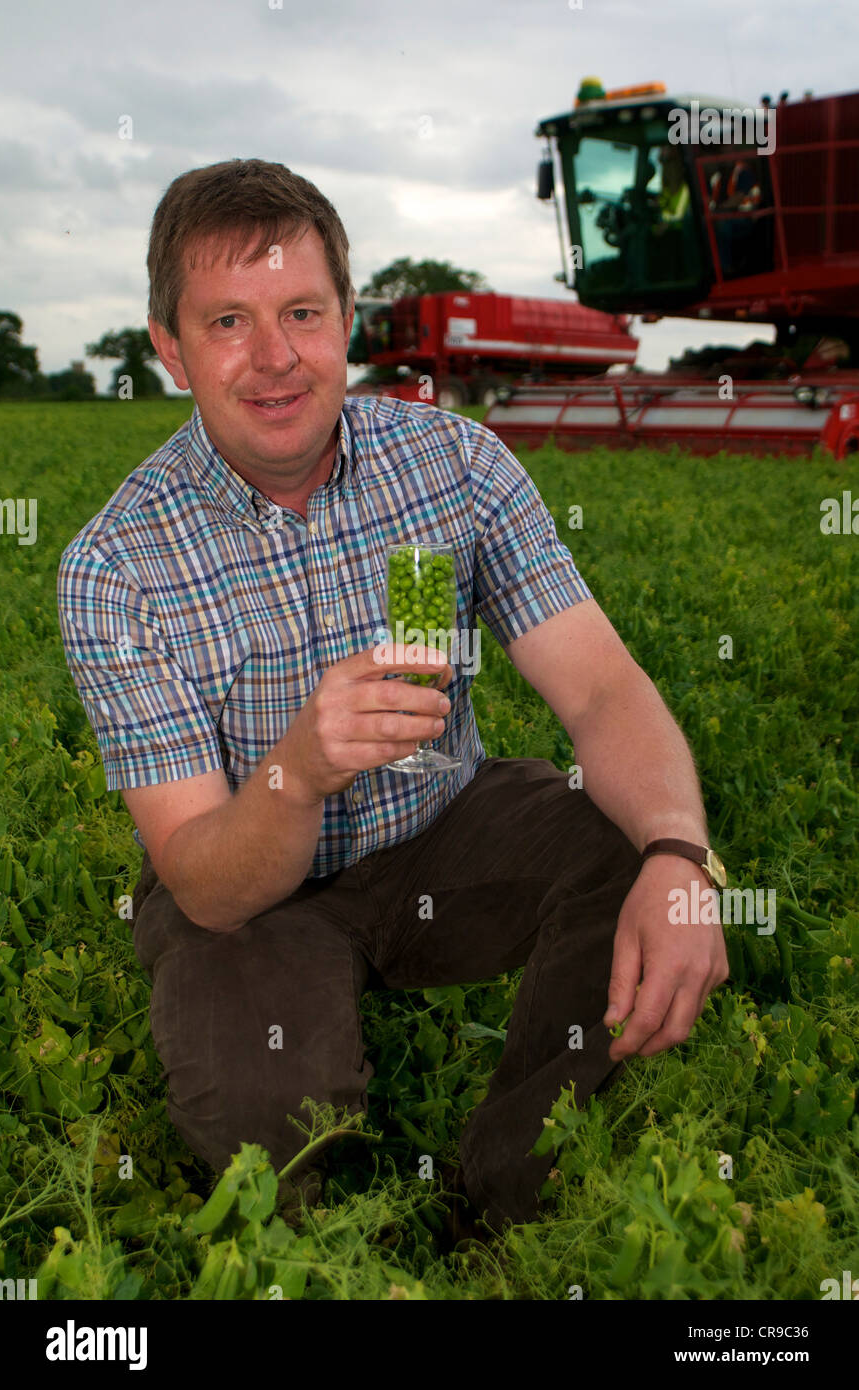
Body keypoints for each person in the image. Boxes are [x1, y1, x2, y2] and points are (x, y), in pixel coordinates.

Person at [56, 158, 729, 1240]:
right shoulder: (116, 567)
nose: (276, 358)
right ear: (171, 351)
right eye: (228, 320)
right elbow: (205, 881)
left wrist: (680, 855)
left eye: (303, 313)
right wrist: (299, 768)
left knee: (635, 842)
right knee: (262, 1122)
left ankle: (509, 1187)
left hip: (441, 822)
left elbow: (601, 688)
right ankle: (328, 1243)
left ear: (348, 320)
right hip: (250, 871)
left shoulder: (452, 461)